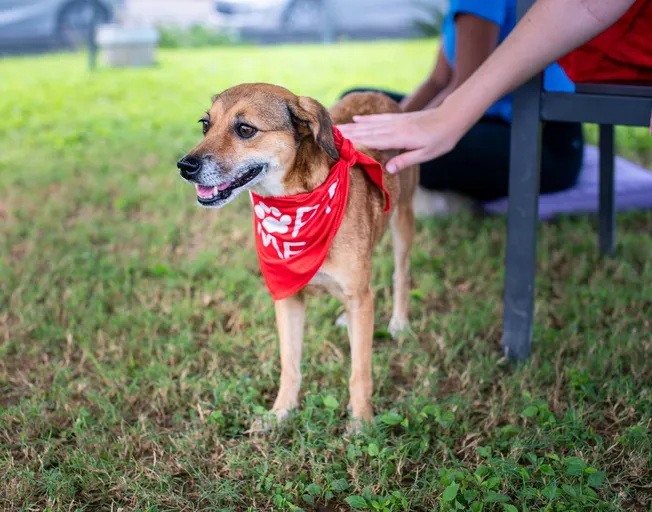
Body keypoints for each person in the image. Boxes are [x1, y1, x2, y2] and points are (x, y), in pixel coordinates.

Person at [337, 0, 640, 183]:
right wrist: (395, 121)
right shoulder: (458, 8)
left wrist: (400, 135)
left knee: (395, 157)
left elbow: (462, 85)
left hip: (544, 147)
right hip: (491, 122)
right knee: (358, 101)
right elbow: (437, 81)